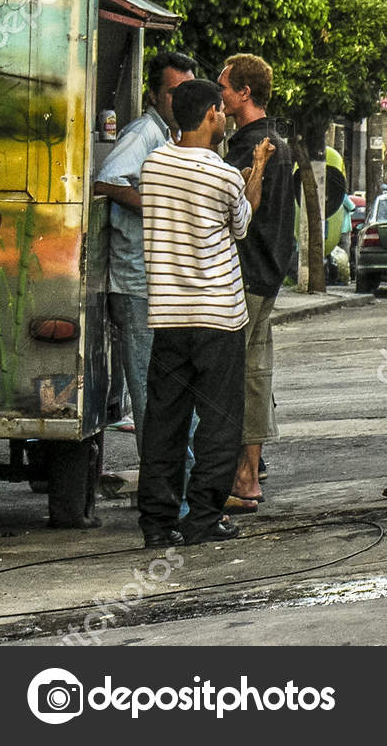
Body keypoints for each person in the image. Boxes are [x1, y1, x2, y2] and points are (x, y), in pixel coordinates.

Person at [136, 80, 273, 547]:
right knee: (218, 422)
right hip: (218, 317)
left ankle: (157, 524)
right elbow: (241, 224)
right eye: (221, 111)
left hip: (169, 316)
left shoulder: (152, 166)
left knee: (164, 424)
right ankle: (203, 519)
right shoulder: (222, 174)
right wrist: (255, 172)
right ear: (213, 114)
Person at [94, 51, 196, 454]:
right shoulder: (143, 133)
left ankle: (169, 483)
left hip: (157, 284)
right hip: (135, 285)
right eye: (173, 93)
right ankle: (161, 488)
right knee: (148, 390)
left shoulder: (172, 139)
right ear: (154, 96)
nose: (181, 101)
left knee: (169, 389)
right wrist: (157, 204)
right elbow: (106, 181)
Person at [217, 55, 294, 515]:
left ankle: (244, 476)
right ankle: (249, 472)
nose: (219, 95)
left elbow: (243, 211)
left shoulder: (254, 147)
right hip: (267, 274)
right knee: (255, 374)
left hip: (247, 276)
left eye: (225, 87)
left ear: (244, 92)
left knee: (240, 378)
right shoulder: (273, 141)